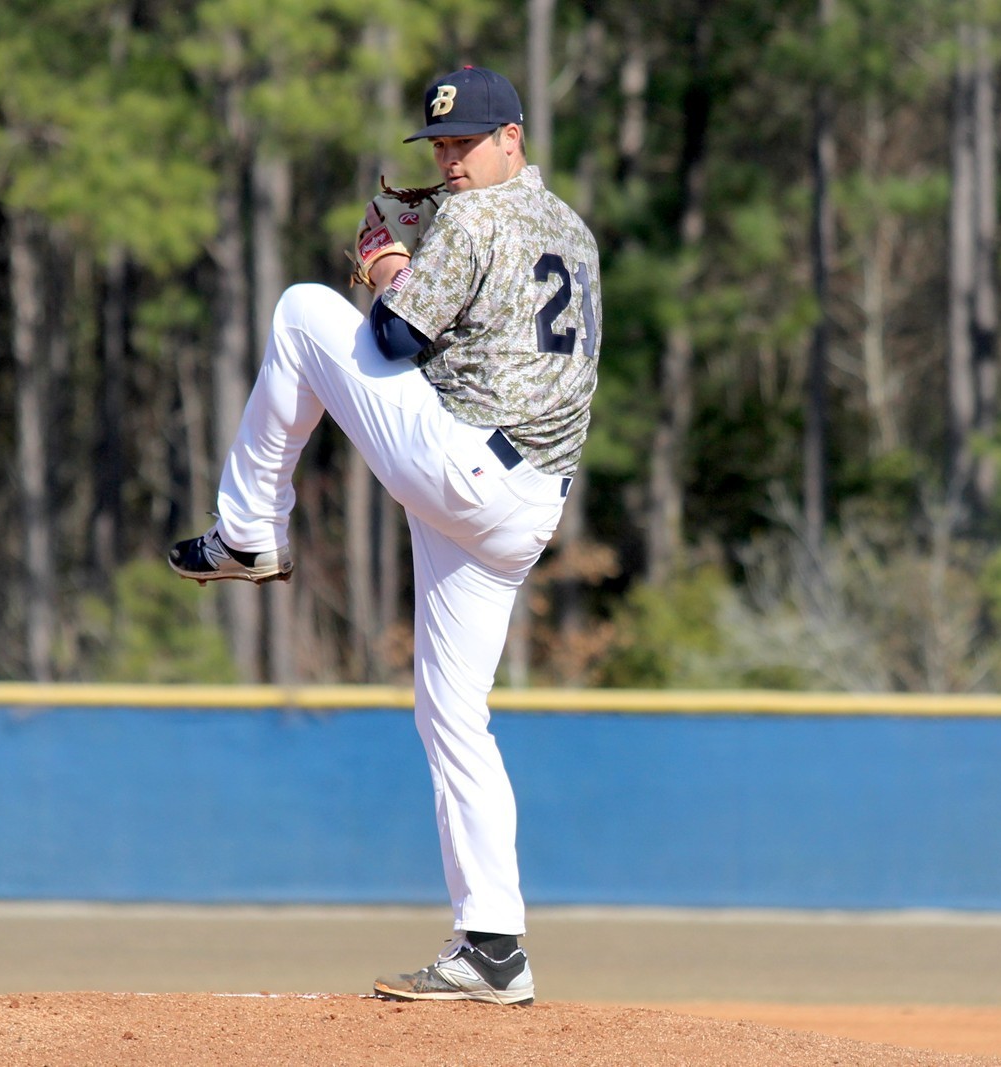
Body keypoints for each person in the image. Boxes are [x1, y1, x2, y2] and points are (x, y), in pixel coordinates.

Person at [168, 65, 601, 1007]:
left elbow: (397, 339)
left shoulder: (476, 219)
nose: (450, 159)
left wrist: (385, 264)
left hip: (469, 469)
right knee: (453, 714)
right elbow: (487, 337)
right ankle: (494, 946)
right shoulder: (572, 230)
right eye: (440, 144)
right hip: (526, 506)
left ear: (513, 139)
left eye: (466, 141)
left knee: (301, 310)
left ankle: (248, 531)